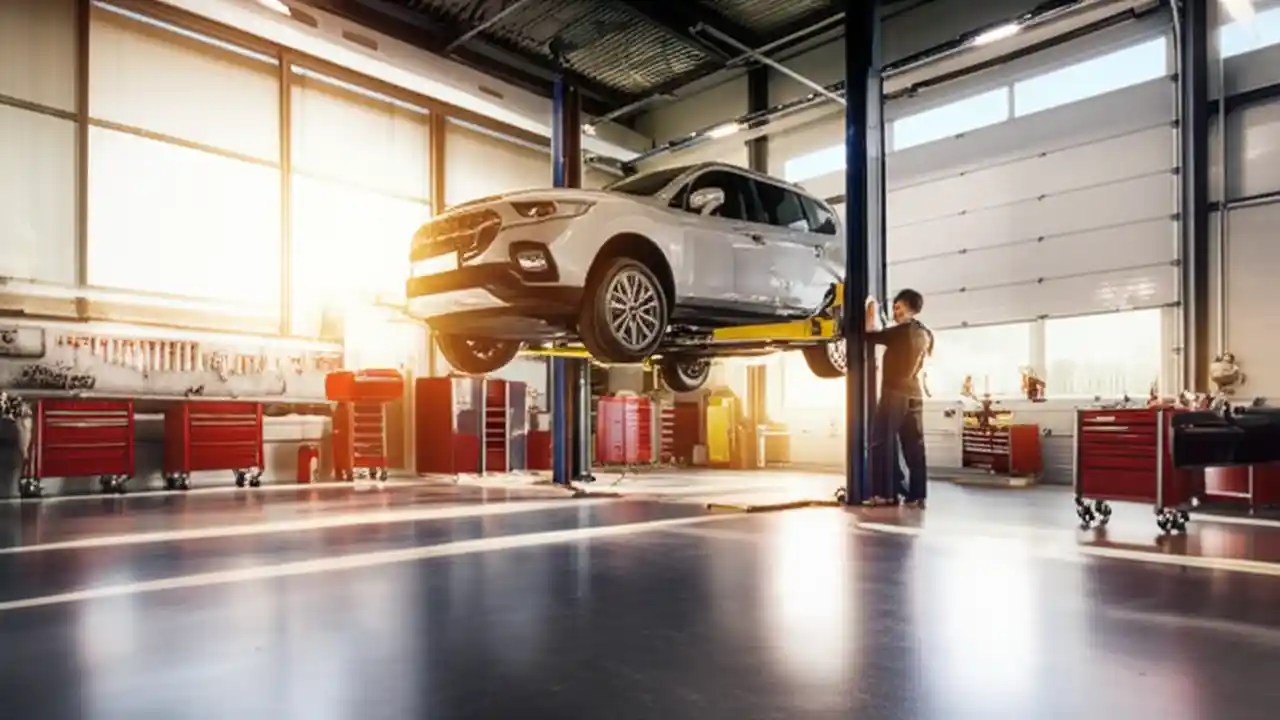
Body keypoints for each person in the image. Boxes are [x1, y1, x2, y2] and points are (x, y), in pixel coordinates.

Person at [864, 289, 934, 508]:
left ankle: (884, 494)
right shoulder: (926, 333)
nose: (895, 312)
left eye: (898, 307)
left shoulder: (899, 332)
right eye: (894, 308)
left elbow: (868, 334)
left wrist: (870, 307)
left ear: (910, 309)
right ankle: (917, 495)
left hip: (894, 393)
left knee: (880, 443)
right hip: (915, 394)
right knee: (915, 446)